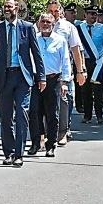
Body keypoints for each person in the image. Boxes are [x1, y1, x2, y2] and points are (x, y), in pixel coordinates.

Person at [0, 0, 45, 167]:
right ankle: (8, 152)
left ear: (17, 8)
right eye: (5, 6)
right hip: (3, 77)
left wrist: (41, 76)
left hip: (22, 76)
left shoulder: (27, 28)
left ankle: (19, 154)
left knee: (22, 113)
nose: (7, 9)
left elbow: (36, 54)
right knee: (6, 117)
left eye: (10, 6)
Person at [28, 13, 72, 156]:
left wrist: (65, 82)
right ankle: (35, 143)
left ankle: (51, 144)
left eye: (48, 22)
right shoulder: (34, 38)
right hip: (36, 80)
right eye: (43, 22)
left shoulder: (60, 40)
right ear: (39, 23)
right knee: (34, 111)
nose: (45, 24)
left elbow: (66, 61)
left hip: (53, 80)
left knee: (52, 114)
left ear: (53, 24)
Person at [46, 0, 85, 145]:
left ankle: (63, 131)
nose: (54, 14)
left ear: (61, 12)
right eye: (51, 11)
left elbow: (76, 50)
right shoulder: (41, 25)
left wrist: (81, 71)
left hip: (64, 69)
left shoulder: (68, 27)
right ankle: (48, 132)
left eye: (56, 11)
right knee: (47, 103)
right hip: (47, 70)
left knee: (65, 100)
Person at [74, 6, 103, 124]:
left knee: (98, 90)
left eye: (95, 14)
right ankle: (87, 115)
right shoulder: (79, 28)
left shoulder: (102, 28)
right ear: (85, 15)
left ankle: (99, 115)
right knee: (85, 90)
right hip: (84, 61)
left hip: (98, 63)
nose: (93, 16)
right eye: (90, 13)